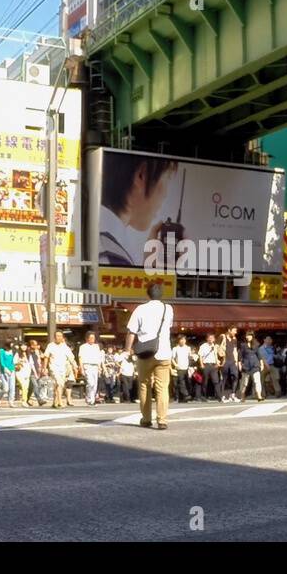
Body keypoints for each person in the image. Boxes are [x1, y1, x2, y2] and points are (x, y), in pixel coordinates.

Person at [99, 156, 180, 266]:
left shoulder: (108, 245)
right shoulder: (111, 254)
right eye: (168, 177)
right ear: (142, 175)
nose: (166, 194)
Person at [125, 282, 174, 429]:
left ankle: (146, 419)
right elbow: (169, 326)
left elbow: (131, 331)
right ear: (161, 294)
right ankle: (162, 420)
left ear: (148, 294)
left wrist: (127, 350)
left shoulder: (140, 309)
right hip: (164, 352)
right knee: (162, 387)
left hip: (144, 352)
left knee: (144, 385)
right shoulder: (168, 309)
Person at [44, 331, 76, 409]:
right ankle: (60, 402)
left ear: (62, 337)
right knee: (59, 383)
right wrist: (45, 368)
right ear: (54, 337)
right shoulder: (50, 346)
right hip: (53, 367)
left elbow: (71, 358)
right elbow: (46, 356)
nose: (59, 337)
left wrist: (75, 366)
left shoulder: (65, 347)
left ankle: (55, 402)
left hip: (63, 368)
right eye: (57, 336)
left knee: (58, 385)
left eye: (60, 336)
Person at [78, 332, 104, 407]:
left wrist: (99, 368)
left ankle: (92, 400)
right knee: (90, 383)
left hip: (95, 366)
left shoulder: (96, 346)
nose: (92, 339)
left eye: (93, 338)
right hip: (87, 365)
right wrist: (81, 368)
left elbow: (98, 358)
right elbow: (80, 357)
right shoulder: (83, 346)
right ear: (87, 338)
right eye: (91, 338)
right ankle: (89, 399)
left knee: (95, 384)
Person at [238, 331, 265, 402]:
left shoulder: (256, 344)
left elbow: (259, 355)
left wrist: (261, 364)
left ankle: (259, 395)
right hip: (246, 365)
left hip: (255, 365)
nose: (248, 337)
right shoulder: (243, 345)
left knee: (257, 381)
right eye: (247, 335)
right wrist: (239, 364)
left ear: (252, 336)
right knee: (244, 382)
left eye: (249, 335)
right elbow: (240, 356)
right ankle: (242, 396)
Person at [197, 333, 222, 403]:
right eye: (210, 338)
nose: (211, 339)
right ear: (207, 339)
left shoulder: (214, 346)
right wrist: (201, 364)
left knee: (216, 381)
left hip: (213, 365)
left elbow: (215, 355)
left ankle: (219, 397)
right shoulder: (203, 346)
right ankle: (203, 396)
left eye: (212, 338)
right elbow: (200, 356)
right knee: (205, 382)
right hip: (206, 365)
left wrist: (217, 362)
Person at [220, 327, 240, 403]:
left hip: (232, 361)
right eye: (234, 331)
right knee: (224, 378)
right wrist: (218, 359)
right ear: (229, 330)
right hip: (225, 360)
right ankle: (222, 396)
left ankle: (233, 395)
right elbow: (217, 347)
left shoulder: (234, 339)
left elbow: (235, 350)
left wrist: (236, 361)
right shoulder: (222, 337)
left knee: (235, 376)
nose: (235, 332)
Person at [171, 335, 193, 403]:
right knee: (181, 382)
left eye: (184, 339)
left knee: (187, 382)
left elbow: (190, 357)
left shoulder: (188, 348)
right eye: (181, 339)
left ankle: (184, 397)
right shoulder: (175, 348)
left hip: (186, 368)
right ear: (178, 340)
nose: (183, 341)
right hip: (179, 368)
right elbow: (172, 358)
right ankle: (186, 395)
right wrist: (175, 365)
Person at [0, 342, 17, 407]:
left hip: (12, 370)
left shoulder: (12, 351)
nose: (12, 345)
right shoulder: (2, 350)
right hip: (4, 371)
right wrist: (5, 368)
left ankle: (11, 401)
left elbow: (13, 361)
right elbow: (1, 361)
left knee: (12, 387)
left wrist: (13, 369)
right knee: (6, 388)